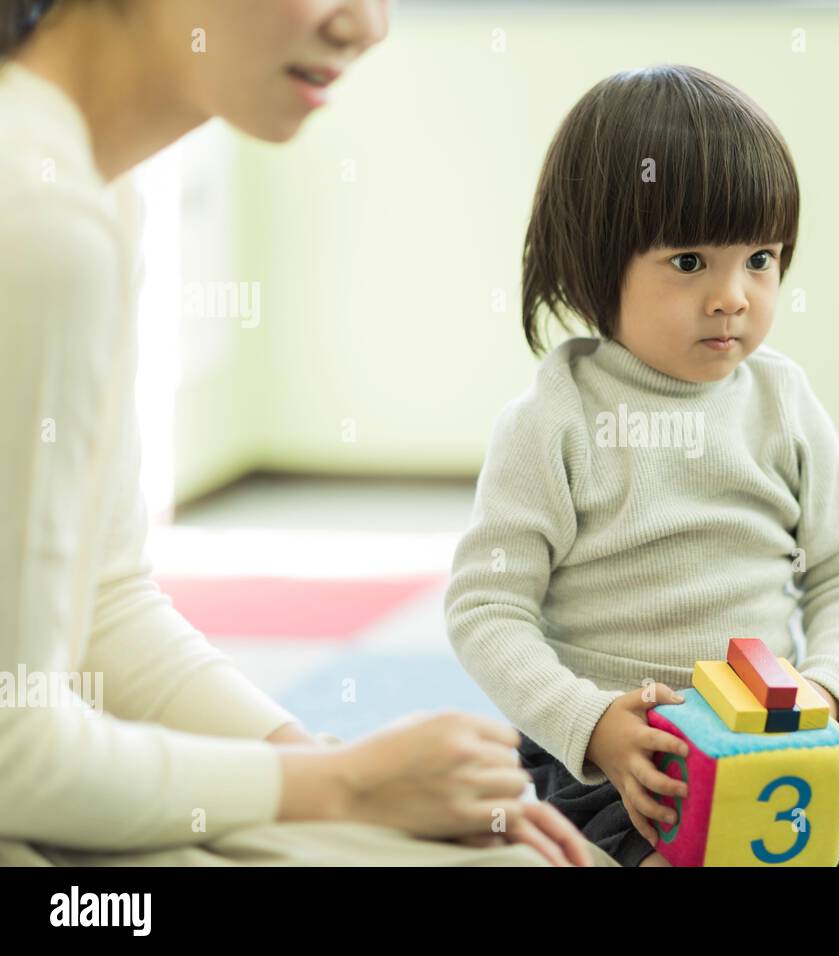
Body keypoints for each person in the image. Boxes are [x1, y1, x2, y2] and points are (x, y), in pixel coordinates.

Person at [0, 0, 606, 867]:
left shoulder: (99, 189)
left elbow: (105, 602)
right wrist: (348, 787)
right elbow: (12, 755)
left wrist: (336, 776)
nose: (367, 24)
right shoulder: (33, 210)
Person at [444, 64, 839, 867]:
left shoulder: (781, 400)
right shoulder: (551, 422)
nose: (733, 295)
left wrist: (829, 691)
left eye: (760, 258)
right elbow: (485, 610)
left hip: (787, 745)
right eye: (689, 263)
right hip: (633, 771)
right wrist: (592, 724)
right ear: (595, 260)